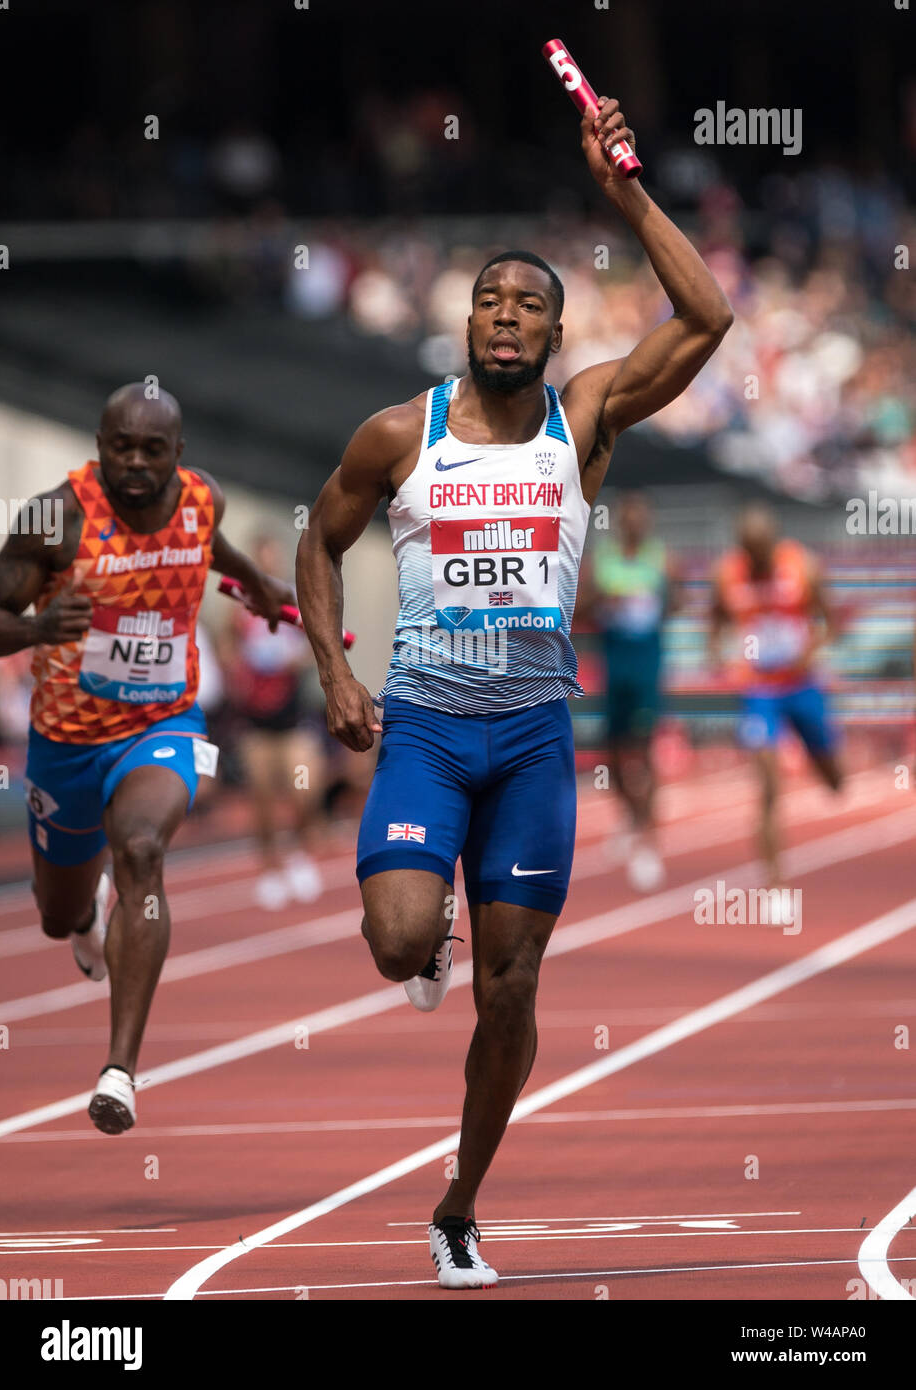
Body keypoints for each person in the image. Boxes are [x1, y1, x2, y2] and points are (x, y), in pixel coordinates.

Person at [297, 95, 733, 1288]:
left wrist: (625, 195)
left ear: (552, 329)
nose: (506, 315)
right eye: (489, 298)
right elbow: (318, 543)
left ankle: (458, 1201)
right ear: (465, 320)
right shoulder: (399, 434)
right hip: (428, 732)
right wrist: (335, 663)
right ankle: (421, 925)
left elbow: (709, 314)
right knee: (397, 946)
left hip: (534, 738)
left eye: (529, 303)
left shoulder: (582, 419)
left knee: (513, 985)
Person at [0, 383, 292, 1134]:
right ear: (97, 445)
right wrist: (34, 632)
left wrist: (255, 584)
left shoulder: (203, 498)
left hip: (164, 722)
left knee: (142, 849)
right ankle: (85, 910)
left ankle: (120, 1069)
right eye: (118, 446)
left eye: (150, 450)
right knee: (59, 917)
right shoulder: (51, 517)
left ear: (177, 454)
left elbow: (207, 544)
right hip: (66, 741)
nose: (132, 462)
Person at [709, 504, 843, 888]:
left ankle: (823, 761)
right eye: (749, 550)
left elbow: (831, 620)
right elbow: (714, 625)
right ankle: (774, 879)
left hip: (801, 683)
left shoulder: (802, 565)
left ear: (774, 542)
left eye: (762, 549)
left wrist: (811, 649)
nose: (756, 558)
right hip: (759, 689)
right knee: (767, 783)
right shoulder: (727, 574)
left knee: (835, 779)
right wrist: (721, 658)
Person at [218, 534, 325, 909]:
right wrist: (238, 669)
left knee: (305, 790)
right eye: (260, 562)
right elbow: (227, 648)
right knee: (262, 800)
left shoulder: (294, 603)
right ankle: (270, 869)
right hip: (255, 719)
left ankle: (298, 853)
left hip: (292, 715)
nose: (267, 568)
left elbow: (317, 646)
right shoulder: (240, 610)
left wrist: (293, 660)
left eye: (272, 561)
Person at [585, 489, 680, 891]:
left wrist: (650, 601)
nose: (636, 523)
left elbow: (677, 603)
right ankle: (630, 813)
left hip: (645, 665)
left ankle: (648, 840)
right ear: (621, 520)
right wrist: (609, 599)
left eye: (642, 517)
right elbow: (581, 607)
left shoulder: (661, 559)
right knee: (611, 751)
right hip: (613, 664)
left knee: (642, 750)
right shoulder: (603, 559)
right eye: (630, 517)